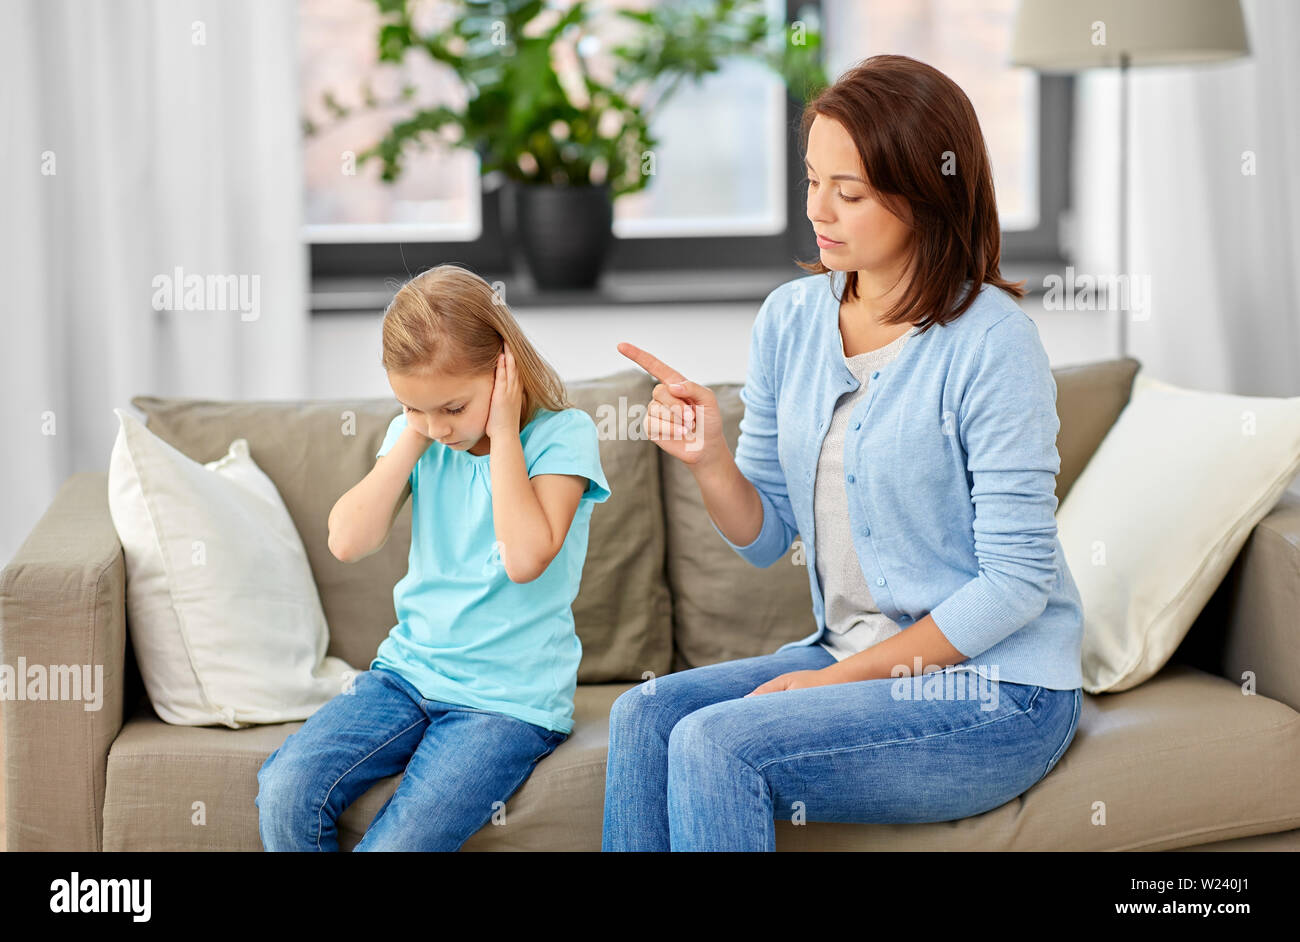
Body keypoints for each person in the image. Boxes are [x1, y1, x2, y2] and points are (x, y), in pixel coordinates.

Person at [604, 54, 1085, 852]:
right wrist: (710, 458)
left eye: (849, 192)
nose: (818, 209)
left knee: (716, 742)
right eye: (810, 180)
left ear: (923, 195)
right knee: (644, 714)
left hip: (999, 691)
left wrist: (832, 683)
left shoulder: (994, 345)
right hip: (847, 654)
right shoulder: (790, 319)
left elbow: (1016, 582)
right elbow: (766, 540)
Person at [256, 263, 610, 851]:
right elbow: (347, 540)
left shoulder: (562, 435)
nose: (438, 427)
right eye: (413, 406)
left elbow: (525, 558)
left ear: (504, 371)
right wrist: (413, 431)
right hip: (406, 675)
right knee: (286, 787)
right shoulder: (419, 435)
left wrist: (500, 434)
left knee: (399, 843)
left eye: (452, 407)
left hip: (506, 703)